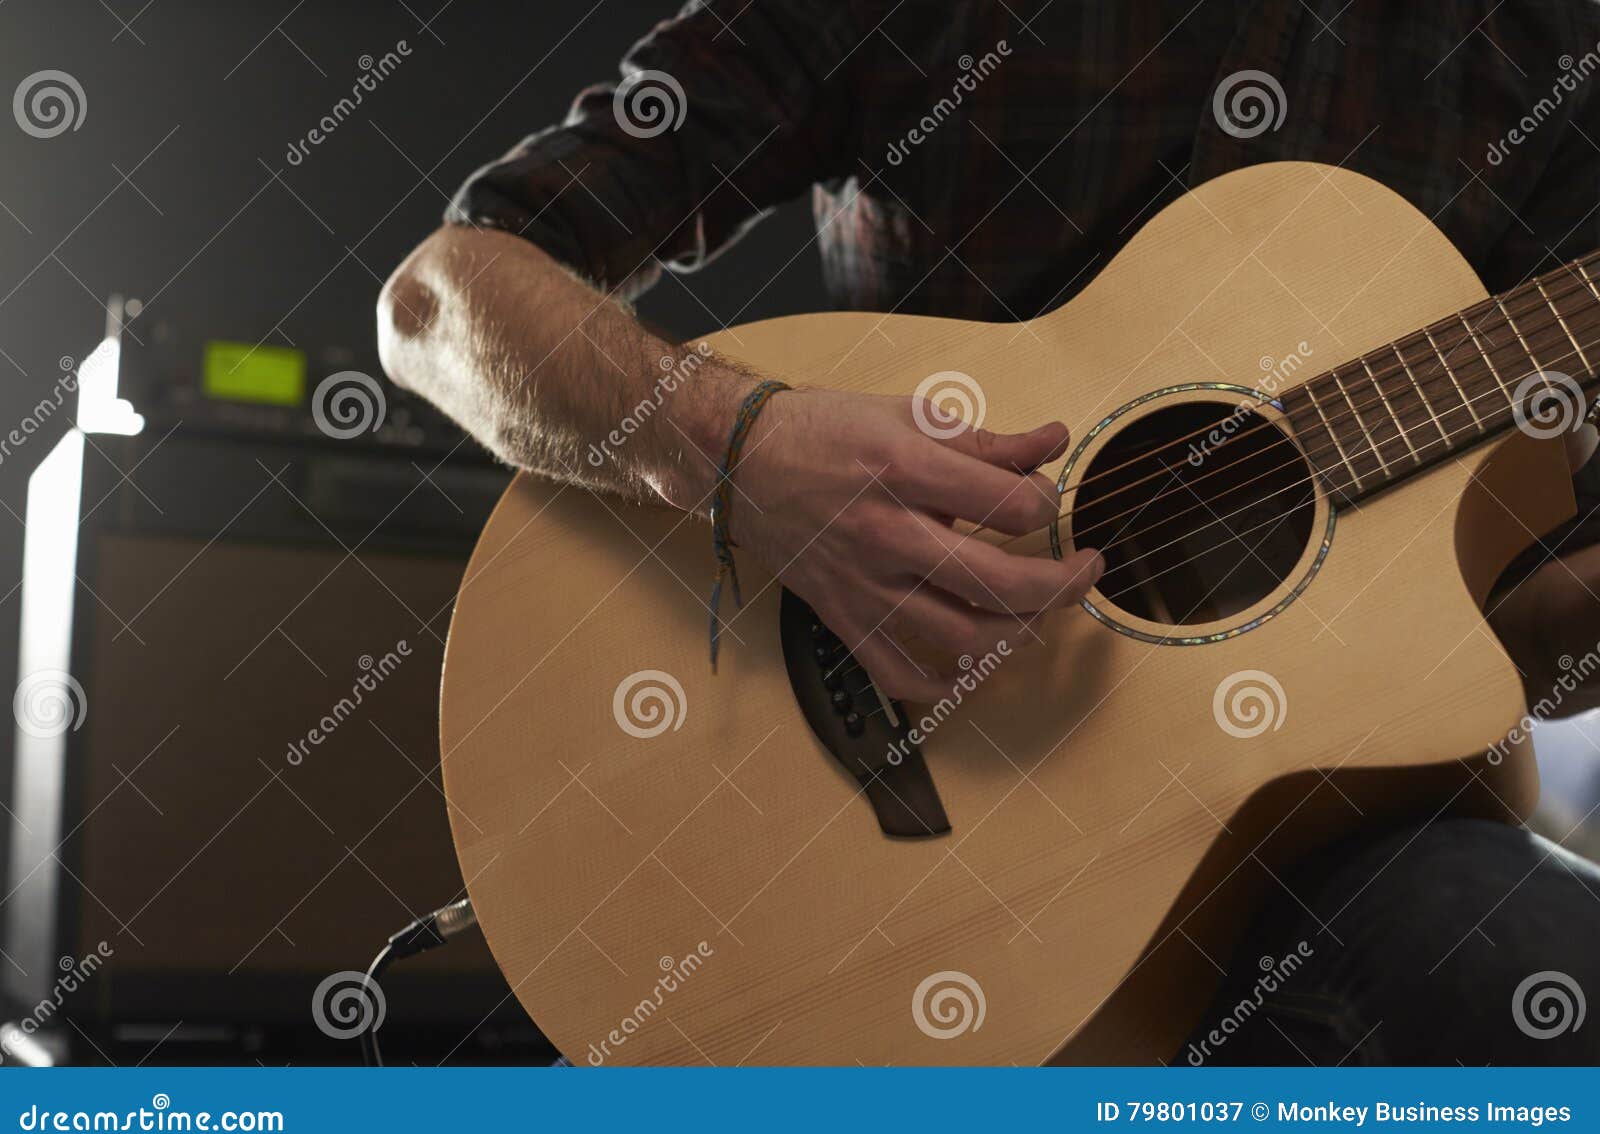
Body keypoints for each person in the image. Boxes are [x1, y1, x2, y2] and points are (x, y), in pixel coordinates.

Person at [377, 1, 1600, 1062]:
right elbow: (443, 295)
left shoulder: (1551, 50)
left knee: (1548, 967)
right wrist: (745, 452)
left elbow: (1534, 642)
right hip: (858, 829)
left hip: (1306, 832)